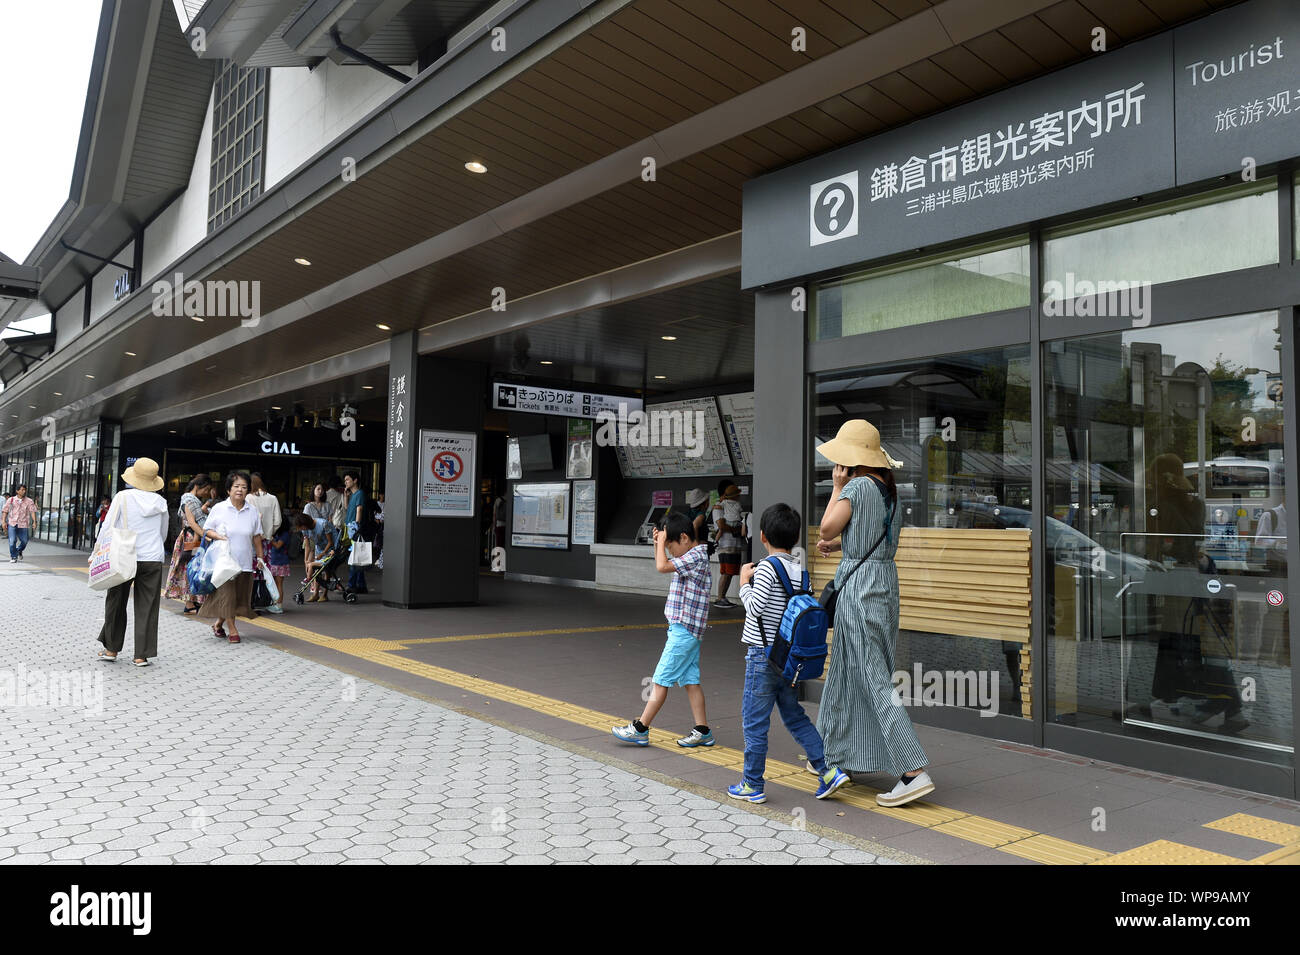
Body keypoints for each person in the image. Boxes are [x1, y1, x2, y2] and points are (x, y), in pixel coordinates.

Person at [815, 419, 933, 808]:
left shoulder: (856, 486)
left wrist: (835, 487)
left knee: (872, 678)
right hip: (882, 582)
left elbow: (828, 527)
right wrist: (844, 548)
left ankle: (913, 770)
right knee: (849, 672)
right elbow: (867, 538)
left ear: (850, 460)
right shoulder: (888, 492)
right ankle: (838, 759)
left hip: (860, 591)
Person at [729, 503, 850, 804]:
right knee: (795, 717)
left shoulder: (768, 567)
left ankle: (752, 784)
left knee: (754, 721)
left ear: (762, 537)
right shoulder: (800, 570)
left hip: (762, 657)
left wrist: (744, 582)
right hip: (788, 659)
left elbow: (755, 607)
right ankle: (828, 771)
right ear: (795, 538)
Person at [613, 512, 713, 748]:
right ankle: (703, 730)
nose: (669, 551)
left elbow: (661, 566)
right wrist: (659, 543)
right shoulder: (692, 554)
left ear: (685, 538)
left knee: (660, 680)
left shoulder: (695, 556)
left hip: (684, 632)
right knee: (691, 681)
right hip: (686, 631)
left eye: (671, 546)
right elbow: (664, 563)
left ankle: (641, 728)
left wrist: (659, 544)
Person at [94, 459, 169, 666]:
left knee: (116, 601)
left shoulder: (123, 497)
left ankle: (111, 650)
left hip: (124, 555)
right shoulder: (160, 502)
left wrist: (97, 551)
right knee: (148, 606)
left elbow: (107, 527)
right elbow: (163, 533)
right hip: (152, 558)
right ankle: (141, 655)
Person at [199, 471, 265, 644]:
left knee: (237, 598)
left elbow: (257, 537)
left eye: (244, 487)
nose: (240, 490)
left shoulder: (252, 511)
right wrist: (219, 536)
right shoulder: (219, 509)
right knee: (227, 596)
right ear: (228, 489)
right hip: (224, 563)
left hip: (244, 562)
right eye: (236, 486)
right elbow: (207, 530)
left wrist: (260, 558)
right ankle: (233, 630)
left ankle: (218, 624)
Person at [165, 476, 214, 613]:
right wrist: (206, 537)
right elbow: (193, 523)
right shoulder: (190, 500)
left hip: (190, 536)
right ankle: (189, 603)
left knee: (192, 568)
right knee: (191, 568)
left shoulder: (191, 499)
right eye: (206, 489)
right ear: (198, 486)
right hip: (192, 538)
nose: (207, 492)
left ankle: (192, 601)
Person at [248, 473, 284, 614]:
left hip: (251, 540)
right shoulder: (273, 498)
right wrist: (268, 533)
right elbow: (278, 521)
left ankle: (251, 600)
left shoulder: (249, 498)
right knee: (265, 571)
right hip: (267, 541)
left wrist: (257, 533)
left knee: (251, 571)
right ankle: (265, 600)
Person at [295, 511, 340, 601]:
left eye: (301, 527)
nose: (301, 529)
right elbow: (307, 544)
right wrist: (306, 559)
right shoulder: (305, 529)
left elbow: (330, 542)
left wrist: (322, 554)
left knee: (327, 571)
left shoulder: (323, 524)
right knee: (316, 571)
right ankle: (315, 594)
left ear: (305, 523)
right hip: (319, 549)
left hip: (330, 549)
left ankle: (325, 595)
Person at [712, 484, 744, 608]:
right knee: (727, 572)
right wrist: (735, 529)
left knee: (728, 572)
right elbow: (721, 525)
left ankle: (722, 597)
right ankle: (721, 598)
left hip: (732, 544)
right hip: (727, 545)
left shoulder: (722, 505)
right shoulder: (719, 507)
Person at [343, 470, 371, 593]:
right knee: (357, 557)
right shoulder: (353, 494)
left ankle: (352, 585)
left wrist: (356, 526)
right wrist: (346, 496)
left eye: (348, 479)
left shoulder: (359, 493)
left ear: (355, 480)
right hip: (351, 529)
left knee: (353, 558)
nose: (346, 482)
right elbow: (346, 508)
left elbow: (359, 510)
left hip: (355, 529)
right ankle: (361, 585)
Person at [2, 484, 38, 562]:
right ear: (17, 491)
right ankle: (13, 557)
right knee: (12, 541)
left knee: (25, 541)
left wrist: (34, 522)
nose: (24, 491)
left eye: (25, 490)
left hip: (23, 524)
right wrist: (3, 521)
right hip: (12, 523)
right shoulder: (11, 500)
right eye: (22, 490)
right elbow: (5, 511)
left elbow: (32, 512)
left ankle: (18, 550)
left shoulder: (29, 501)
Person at [264, 516, 292, 607]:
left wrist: (269, 538)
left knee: (278, 583)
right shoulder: (278, 533)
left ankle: (278, 605)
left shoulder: (285, 534)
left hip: (280, 562)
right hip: (274, 561)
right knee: (273, 584)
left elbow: (277, 545)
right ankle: (274, 603)